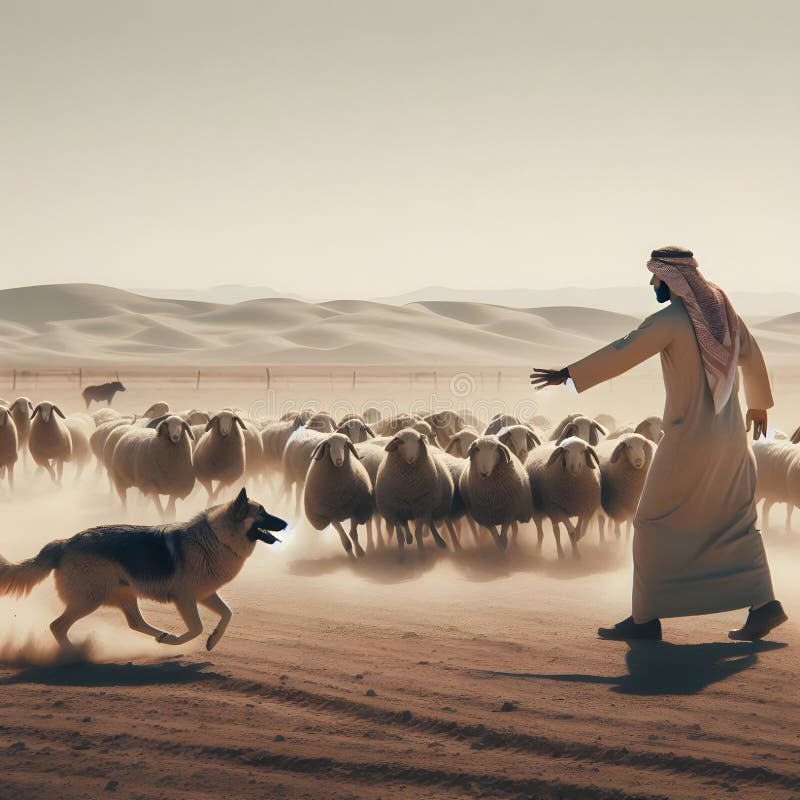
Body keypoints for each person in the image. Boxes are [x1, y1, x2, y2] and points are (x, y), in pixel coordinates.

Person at [530, 247, 787, 642]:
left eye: (656, 277)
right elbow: (751, 357)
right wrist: (758, 405)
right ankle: (764, 605)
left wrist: (568, 375)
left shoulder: (673, 319)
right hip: (732, 438)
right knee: (735, 518)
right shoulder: (724, 315)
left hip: (688, 440)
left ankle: (646, 618)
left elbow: (625, 350)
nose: (652, 284)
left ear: (674, 278)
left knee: (649, 521)